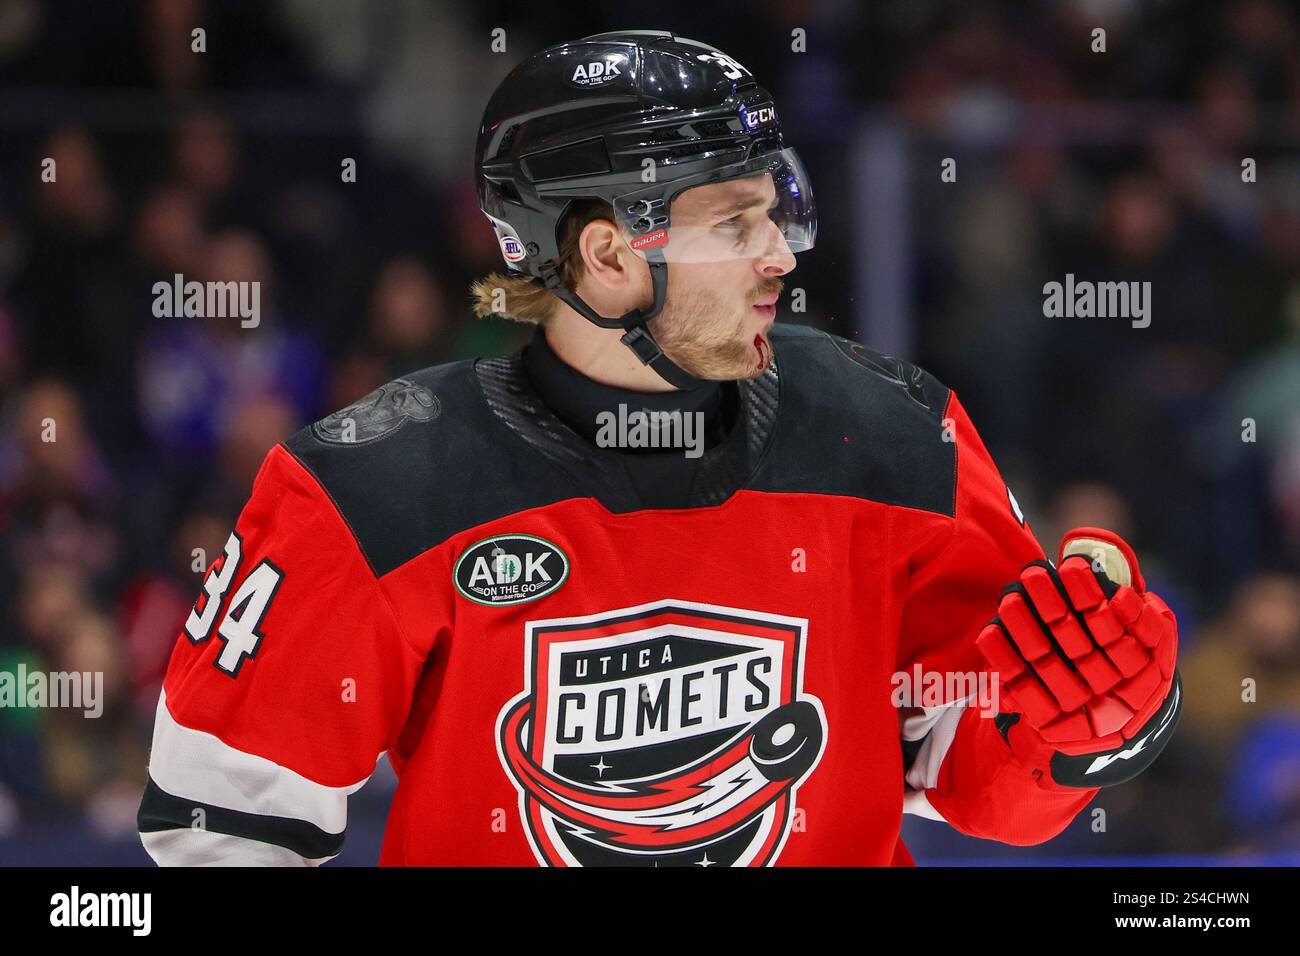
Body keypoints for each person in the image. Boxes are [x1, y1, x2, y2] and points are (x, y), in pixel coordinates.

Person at [137, 30, 1181, 867]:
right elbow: (221, 830)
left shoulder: (892, 432)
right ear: (603, 255)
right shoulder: (374, 485)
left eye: (778, 213)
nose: (778, 254)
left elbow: (961, 762)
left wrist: (1084, 730)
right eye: (733, 225)